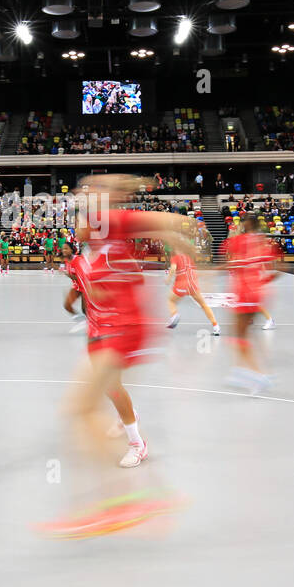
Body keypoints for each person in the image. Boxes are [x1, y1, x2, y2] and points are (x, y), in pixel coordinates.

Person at [38, 175, 195, 539]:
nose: (83, 195)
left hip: (122, 327)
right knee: (85, 410)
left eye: (92, 190)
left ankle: (125, 497)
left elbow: (174, 223)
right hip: (101, 330)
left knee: (80, 410)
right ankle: (129, 495)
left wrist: (189, 250)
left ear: (110, 197)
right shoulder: (91, 239)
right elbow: (85, 280)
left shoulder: (117, 221)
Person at [221, 214, 279, 391]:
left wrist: (208, 271)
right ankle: (240, 371)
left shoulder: (239, 241)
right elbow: (280, 269)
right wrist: (263, 282)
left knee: (238, 336)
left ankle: (258, 376)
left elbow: (228, 258)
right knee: (247, 333)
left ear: (245, 224)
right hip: (258, 293)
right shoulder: (263, 242)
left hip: (243, 293)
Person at [165, 244, 219, 335]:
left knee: (171, 300)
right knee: (204, 305)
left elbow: (173, 269)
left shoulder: (175, 257)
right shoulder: (189, 258)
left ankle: (174, 315)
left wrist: (168, 279)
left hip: (181, 285)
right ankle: (216, 326)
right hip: (193, 285)